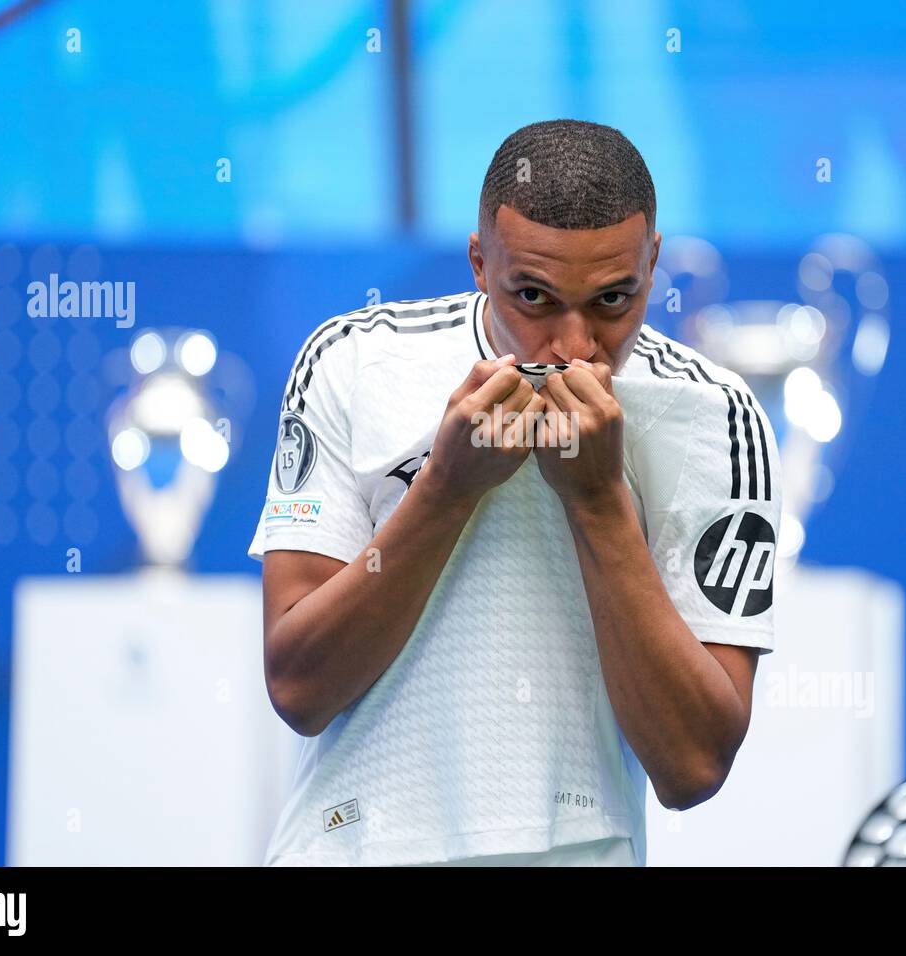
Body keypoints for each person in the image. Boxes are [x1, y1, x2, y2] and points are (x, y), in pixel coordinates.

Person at [250, 119, 781, 866]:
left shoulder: (718, 417)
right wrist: (443, 491)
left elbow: (693, 766)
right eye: (532, 296)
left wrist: (598, 504)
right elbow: (299, 688)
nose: (572, 344)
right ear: (478, 262)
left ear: (653, 265)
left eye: (613, 300)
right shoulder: (354, 360)